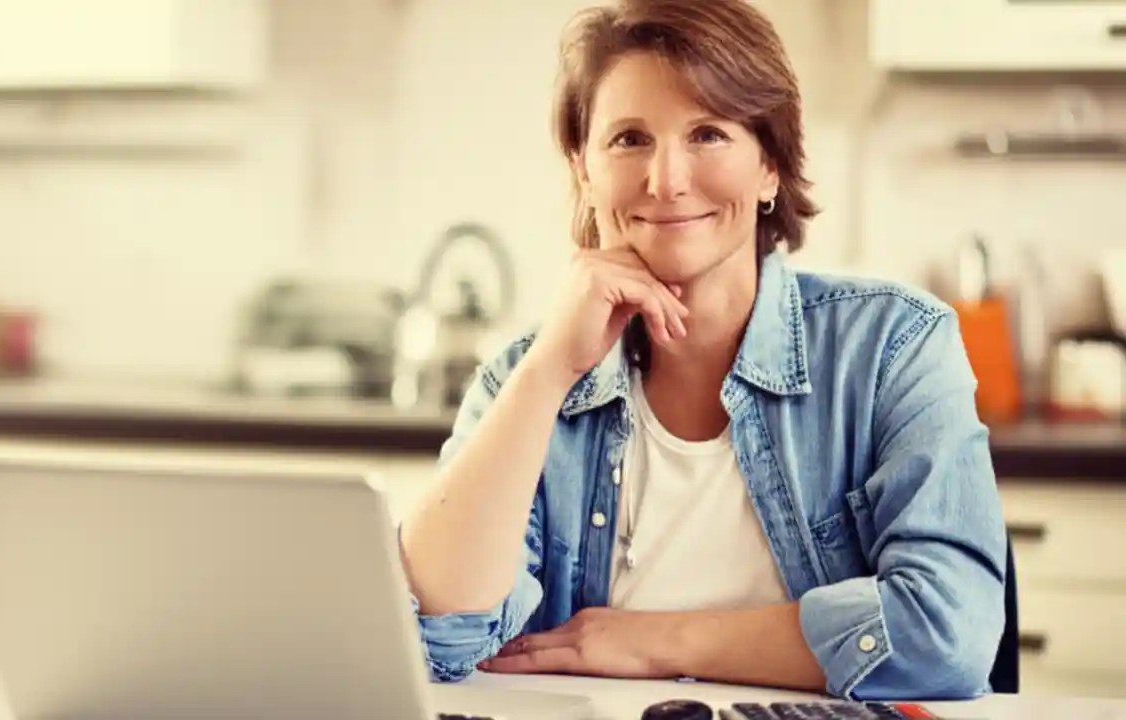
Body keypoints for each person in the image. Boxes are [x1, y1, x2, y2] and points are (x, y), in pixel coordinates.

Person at [397, 0, 1006, 702]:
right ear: (583, 170)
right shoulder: (524, 376)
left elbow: (947, 631)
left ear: (770, 165)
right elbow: (436, 636)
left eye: (708, 134)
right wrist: (547, 375)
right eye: (628, 139)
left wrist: (654, 641)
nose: (667, 180)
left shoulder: (893, 348)